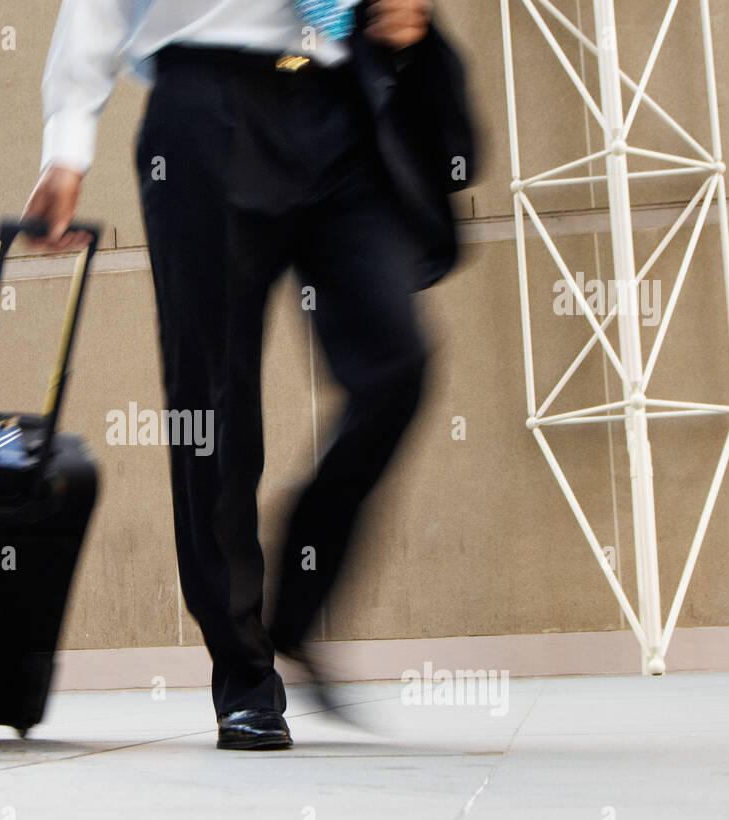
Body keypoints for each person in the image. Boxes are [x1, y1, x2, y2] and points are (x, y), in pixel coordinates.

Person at [24, 0, 471, 750]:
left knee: (397, 361)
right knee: (214, 401)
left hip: (341, 102)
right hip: (207, 107)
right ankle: (243, 673)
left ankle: (295, 600)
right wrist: (67, 143)